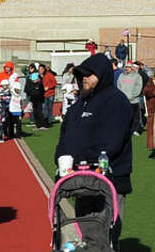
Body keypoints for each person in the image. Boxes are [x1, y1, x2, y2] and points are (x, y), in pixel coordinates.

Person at [55, 51, 135, 191]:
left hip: (109, 178)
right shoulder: (77, 106)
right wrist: (61, 159)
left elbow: (112, 142)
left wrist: (83, 159)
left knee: (109, 212)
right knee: (80, 213)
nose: (84, 78)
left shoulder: (116, 101)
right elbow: (64, 138)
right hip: (77, 178)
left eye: (89, 75)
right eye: (82, 75)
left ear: (102, 75)